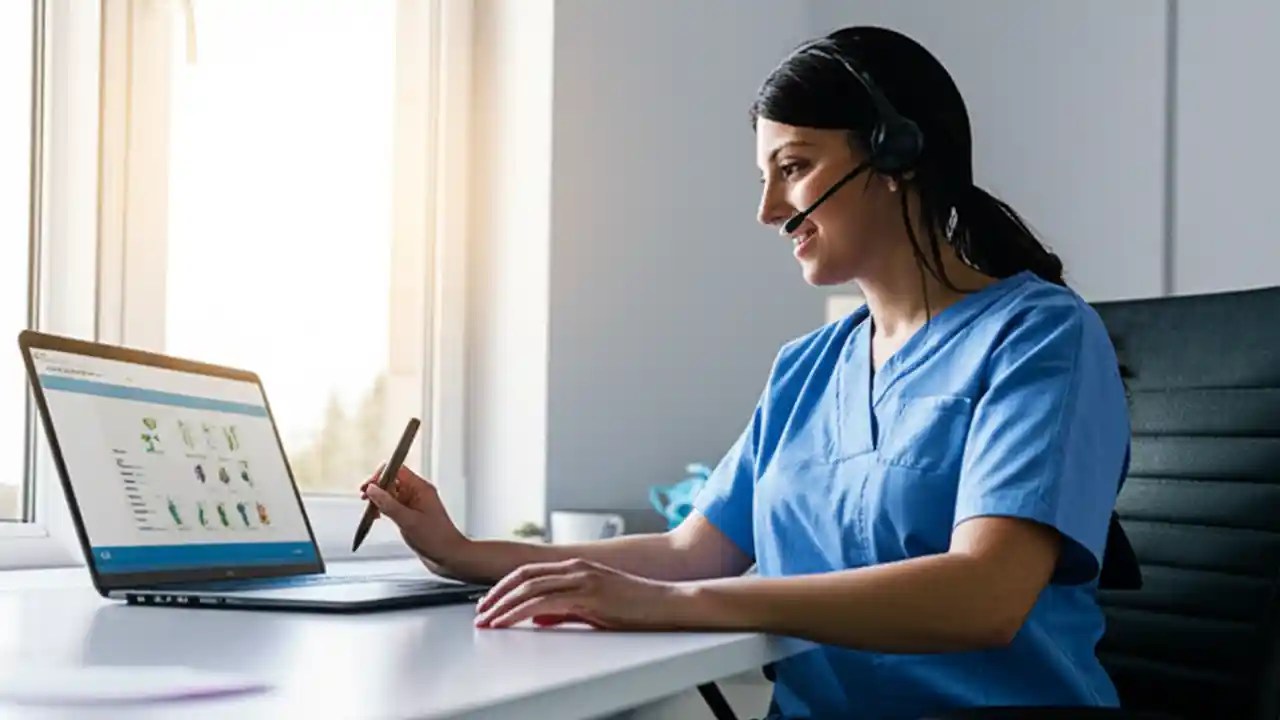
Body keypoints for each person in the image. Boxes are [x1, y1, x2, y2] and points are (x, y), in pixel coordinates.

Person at [360, 25, 1131, 719]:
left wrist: (672, 604)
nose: (767, 209)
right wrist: (461, 552)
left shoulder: (1040, 337)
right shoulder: (806, 369)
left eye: (792, 167)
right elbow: (686, 552)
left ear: (897, 154)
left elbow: (984, 596)